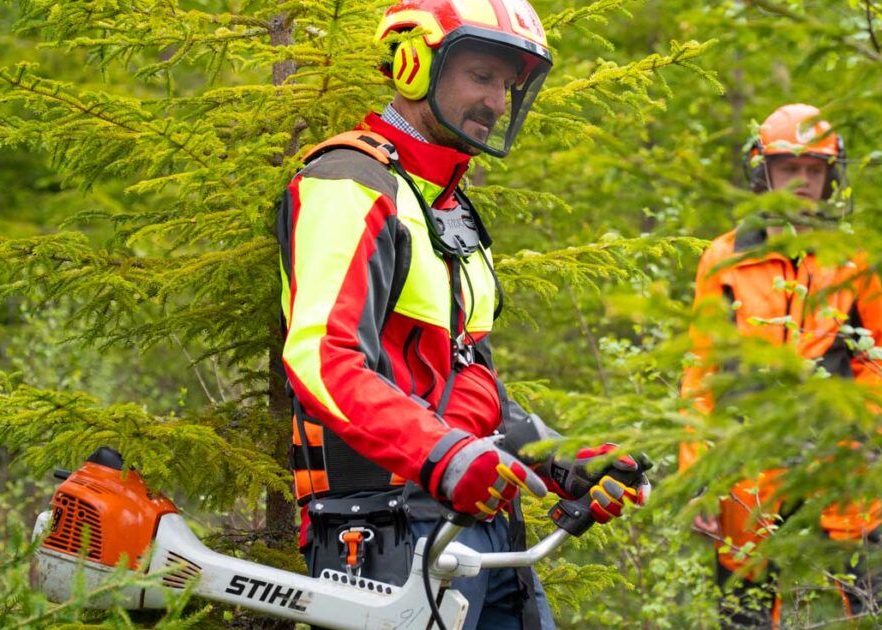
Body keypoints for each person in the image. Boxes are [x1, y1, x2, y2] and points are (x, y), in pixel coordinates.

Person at [274, 1, 648, 627]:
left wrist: (562, 460)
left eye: (506, 85)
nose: (497, 101)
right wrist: (444, 455)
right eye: (481, 76)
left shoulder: (446, 204)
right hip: (385, 526)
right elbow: (321, 358)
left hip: (476, 520)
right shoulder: (350, 184)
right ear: (414, 65)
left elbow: (467, 382)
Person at [680, 104, 882, 627]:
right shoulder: (724, 258)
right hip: (749, 453)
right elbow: (702, 370)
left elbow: (877, 360)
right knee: (744, 605)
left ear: (831, 176)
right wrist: (699, 473)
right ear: (764, 171)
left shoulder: (851, 259)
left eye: (813, 169)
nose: (802, 181)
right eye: (789, 168)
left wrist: (872, 437)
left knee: (881, 597)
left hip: (841, 450)